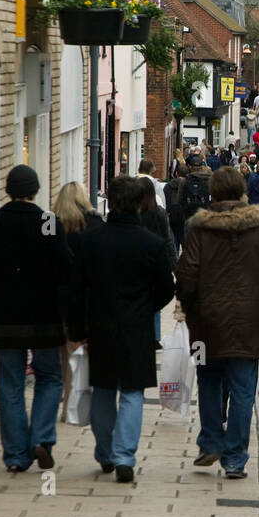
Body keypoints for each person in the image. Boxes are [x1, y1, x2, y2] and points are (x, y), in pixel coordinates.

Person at [176, 167, 259, 479]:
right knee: (242, 389)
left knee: (209, 381)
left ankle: (210, 442)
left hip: (205, 325)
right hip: (247, 324)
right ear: (243, 193)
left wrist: (189, 308)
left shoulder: (199, 230)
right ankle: (235, 459)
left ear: (213, 193)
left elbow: (186, 274)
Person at [68, 176, 175, 482]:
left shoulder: (91, 241)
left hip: (100, 328)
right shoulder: (151, 244)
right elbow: (167, 288)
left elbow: (77, 289)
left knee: (103, 390)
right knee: (131, 392)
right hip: (137, 329)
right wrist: (145, 307)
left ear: (111, 203)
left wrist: (78, 330)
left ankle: (105, 452)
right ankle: (124, 456)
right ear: (140, 203)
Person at [0, 165, 69, 473]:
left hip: (5, 315)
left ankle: (15, 455)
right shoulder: (48, 223)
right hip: (44, 316)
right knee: (50, 378)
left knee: (10, 384)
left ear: (8, 190)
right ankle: (41, 437)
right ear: (36, 190)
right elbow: (64, 266)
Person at [53, 181, 103, 421]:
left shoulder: (53, 226)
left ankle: (64, 402)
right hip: (85, 298)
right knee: (79, 352)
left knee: (61, 355)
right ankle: (75, 405)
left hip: (56, 298)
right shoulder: (95, 224)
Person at [133, 176, 176, 344]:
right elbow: (168, 238)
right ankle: (155, 335)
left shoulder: (135, 213)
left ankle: (143, 332)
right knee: (155, 297)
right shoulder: (159, 212)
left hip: (138, 261)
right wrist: (173, 264)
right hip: (157, 260)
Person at [173, 153, 213, 242]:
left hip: (189, 218)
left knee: (189, 246)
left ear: (190, 167)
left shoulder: (184, 181)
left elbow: (179, 200)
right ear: (202, 167)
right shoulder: (209, 180)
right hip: (205, 218)